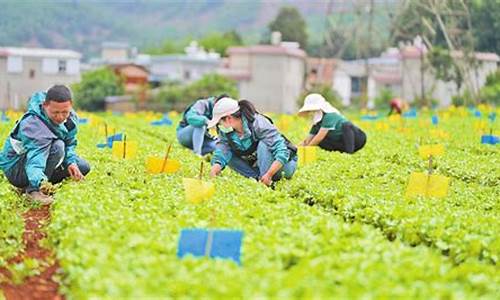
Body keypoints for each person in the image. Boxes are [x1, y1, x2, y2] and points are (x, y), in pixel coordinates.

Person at [0, 85, 90, 204]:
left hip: (40, 161)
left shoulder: (70, 118)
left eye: (65, 112)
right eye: (55, 113)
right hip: (17, 168)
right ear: (45, 106)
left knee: (82, 167)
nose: (60, 117)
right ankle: (33, 190)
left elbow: (69, 144)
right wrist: (41, 183)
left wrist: (71, 162)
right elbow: (35, 159)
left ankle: (37, 182)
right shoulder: (33, 124)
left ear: (70, 105)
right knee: (58, 147)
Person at [208, 97, 297, 186]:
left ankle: (265, 179)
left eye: (219, 122)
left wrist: (269, 174)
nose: (219, 125)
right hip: (259, 166)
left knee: (263, 144)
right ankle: (259, 179)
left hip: (282, 166)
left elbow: (282, 152)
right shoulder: (226, 132)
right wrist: (215, 168)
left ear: (228, 118)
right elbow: (222, 150)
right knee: (228, 154)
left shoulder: (258, 123)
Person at [298, 93, 366, 154]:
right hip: (341, 141)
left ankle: (349, 153)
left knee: (346, 125)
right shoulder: (317, 123)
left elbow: (320, 136)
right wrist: (296, 148)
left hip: (357, 139)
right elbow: (308, 139)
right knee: (320, 142)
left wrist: (306, 150)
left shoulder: (330, 115)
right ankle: (342, 153)